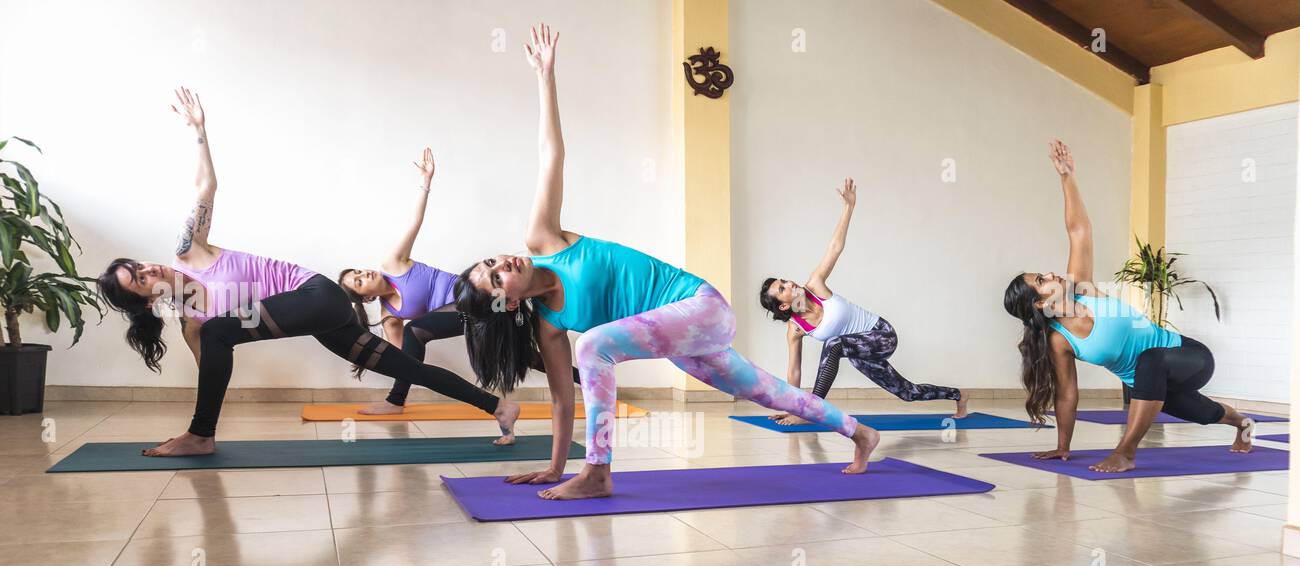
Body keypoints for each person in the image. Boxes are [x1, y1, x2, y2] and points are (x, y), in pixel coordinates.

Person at [452, 25, 879, 501]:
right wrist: (553, 469)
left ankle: (598, 471)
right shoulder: (552, 325)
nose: (504, 263)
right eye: (496, 278)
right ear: (508, 304)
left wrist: (545, 78)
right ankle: (859, 432)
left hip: (701, 306)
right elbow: (561, 399)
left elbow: (552, 154)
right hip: (683, 340)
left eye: (494, 261)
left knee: (592, 345)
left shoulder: (544, 239)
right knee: (769, 393)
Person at [97, 88, 521, 456]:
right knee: (405, 368)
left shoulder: (188, 251)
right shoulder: (195, 323)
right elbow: (213, 372)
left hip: (316, 294)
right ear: (148, 298)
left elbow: (206, 187)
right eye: (139, 279)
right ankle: (499, 407)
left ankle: (200, 437)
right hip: (325, 319)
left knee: (217, 332)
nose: (147, 268)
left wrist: (198, 130)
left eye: (137, 265)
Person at [1002, 139, 1252, 473]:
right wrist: (1062, 447)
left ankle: (1126, 452)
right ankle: (1243, 424)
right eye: (1041, 279)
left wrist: (1066, 176)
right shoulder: (1059, 341)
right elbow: (1067, 394)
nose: (1051, 273)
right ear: (1039, 303)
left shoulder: (1083, 289)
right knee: (1204, 413)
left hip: (1188, 358)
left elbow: (1079, 230)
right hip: (1151, 384)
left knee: (1149, 361)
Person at [338, 148, 578, 421]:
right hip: (470, 315)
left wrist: (425, 184)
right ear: (365, 298)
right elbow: (403, 361)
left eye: (359, 270)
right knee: (522, 354)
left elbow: (413, 223)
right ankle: (589, 380)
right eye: (358, 281)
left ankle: (395, 402)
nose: (364, 274)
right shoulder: (390, 317)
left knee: (416, 330)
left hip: (486, 299)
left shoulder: (393, 263)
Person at [759, 177, 966, 425]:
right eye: (782, 288)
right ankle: (959, 395)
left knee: (834, 343)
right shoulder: (795, 330)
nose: (789, 283)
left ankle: (814, 411)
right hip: (859, 352)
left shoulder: (815, 285)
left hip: (882, 335)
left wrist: (849, 207)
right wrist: (792, 407)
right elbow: (794, 372)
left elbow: (835, 247)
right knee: (907, 392)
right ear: (783, 305)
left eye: (784, 280)